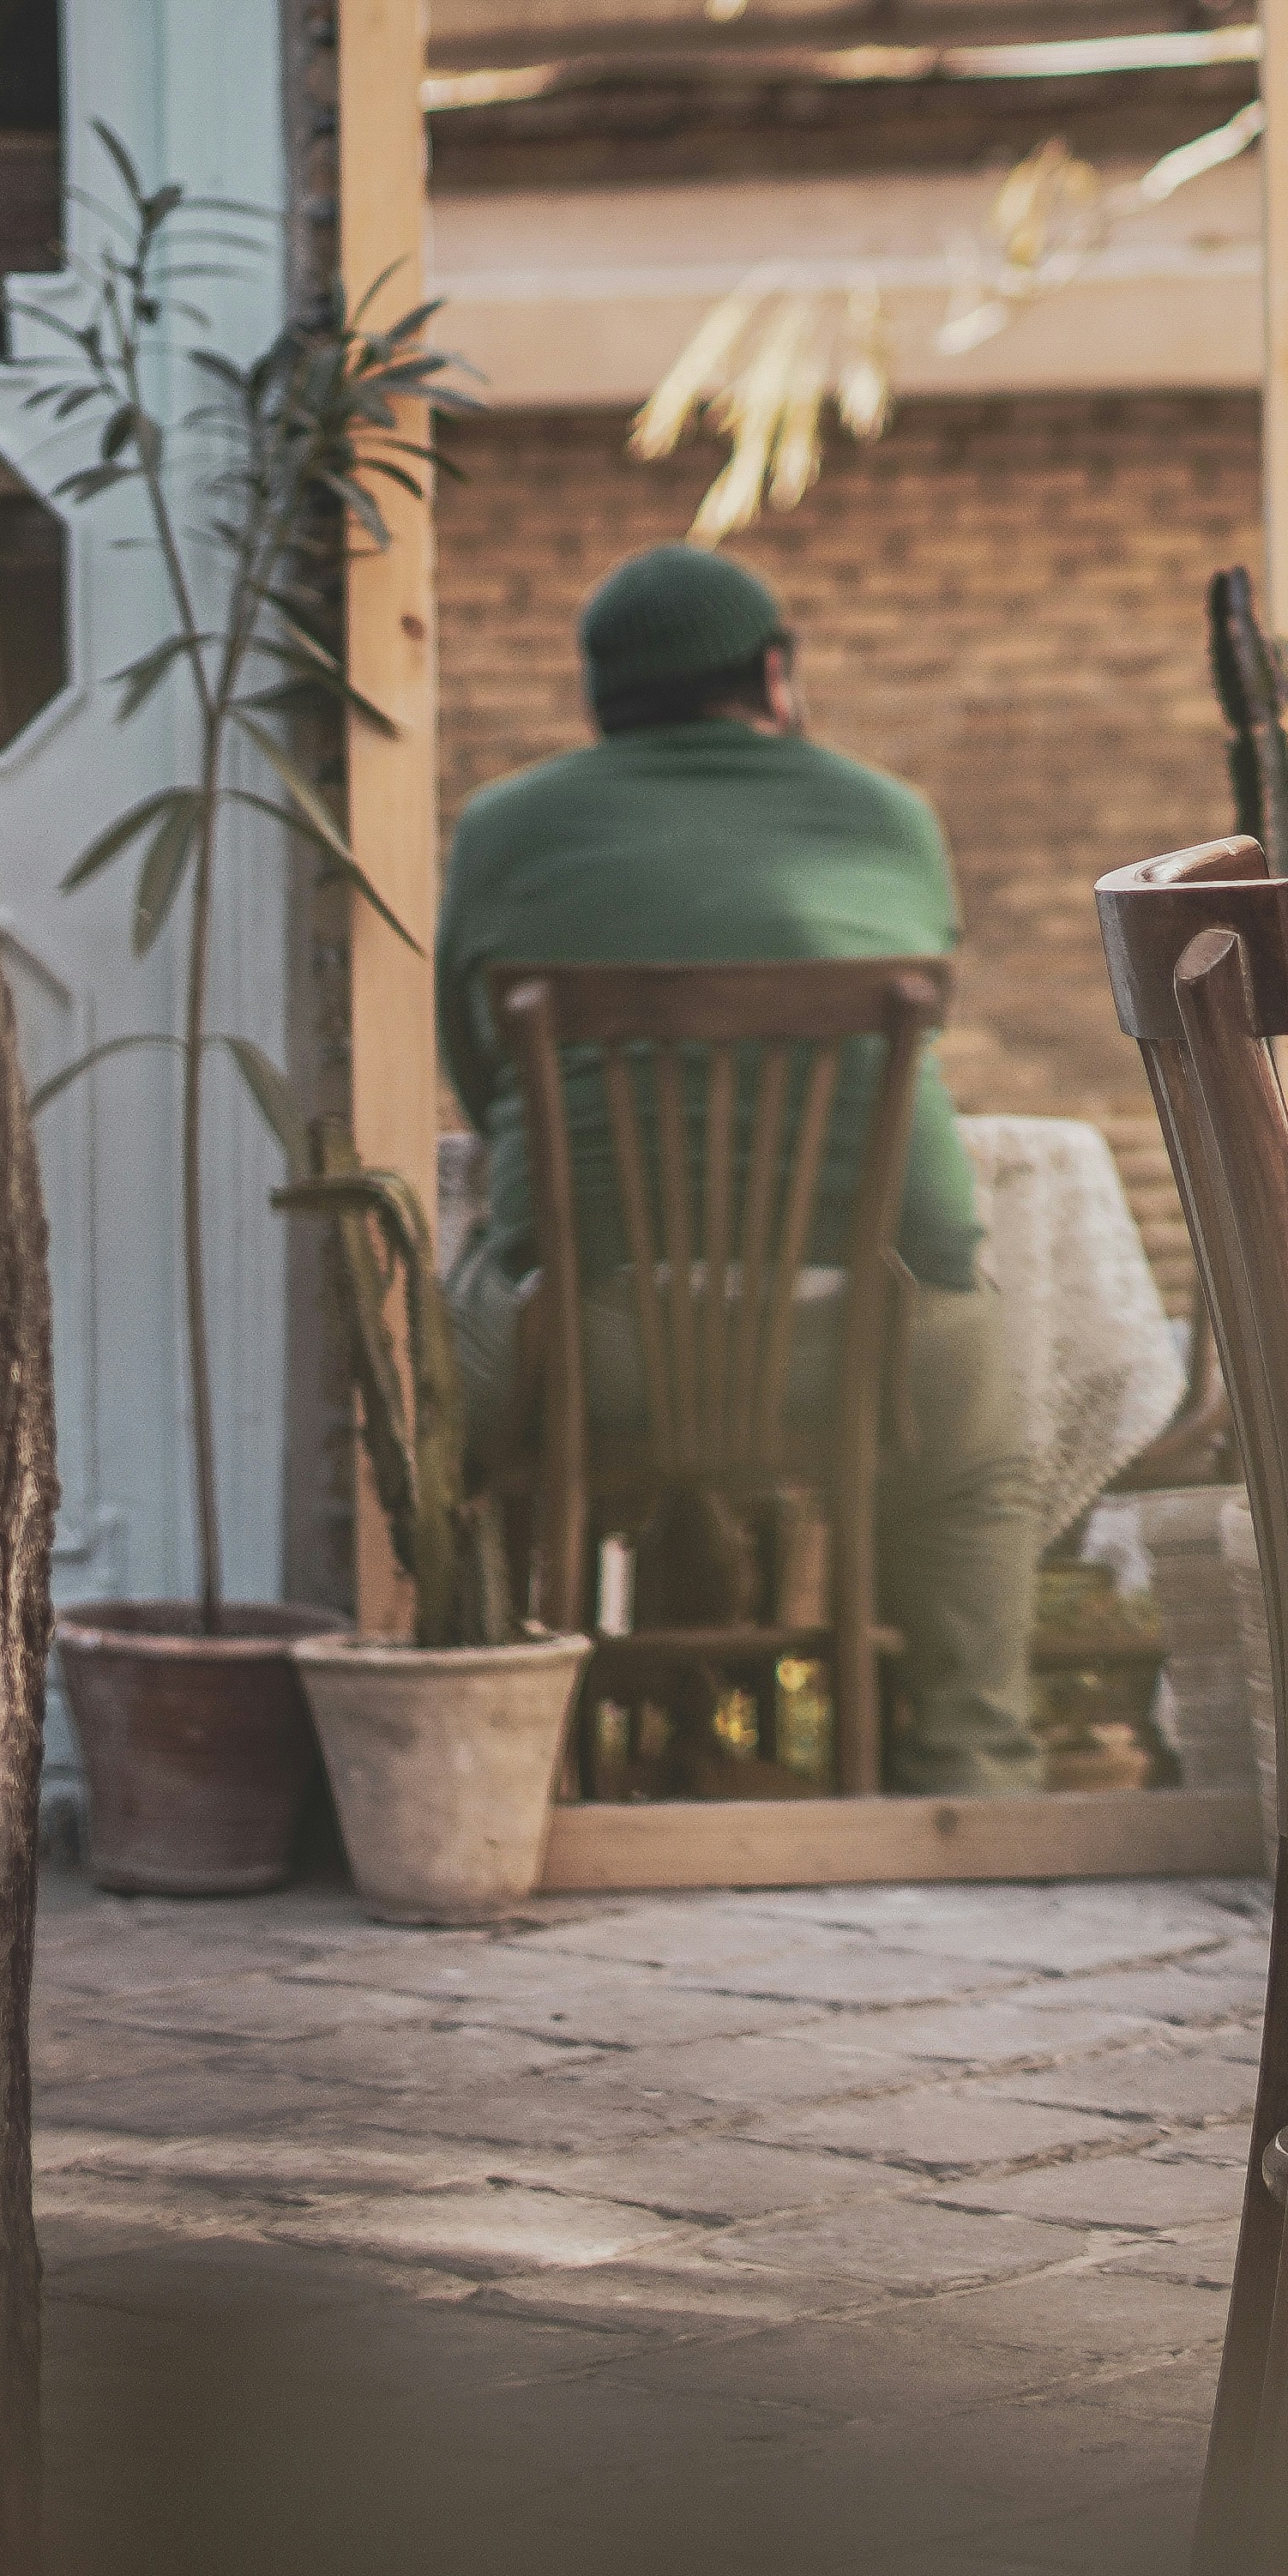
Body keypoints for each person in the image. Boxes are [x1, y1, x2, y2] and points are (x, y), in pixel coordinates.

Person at [434, 545, 1042, 1798]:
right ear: (773, 674)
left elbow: (481, 1072)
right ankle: (975, 1775)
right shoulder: (889, 819)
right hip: (862, 1339)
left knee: (437, 1398)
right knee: (976, 1462)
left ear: (600, 696)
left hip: (585, 1348)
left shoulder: (505, 828)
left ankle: (481, 1764)